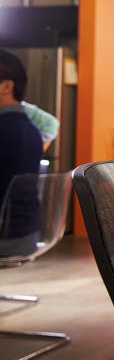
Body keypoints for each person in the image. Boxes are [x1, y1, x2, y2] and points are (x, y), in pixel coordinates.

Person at [0, 49, 42, 256]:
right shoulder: (31, 130)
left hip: (5, 236)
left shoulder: (5, 129)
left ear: (6, 86)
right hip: (25, 233)